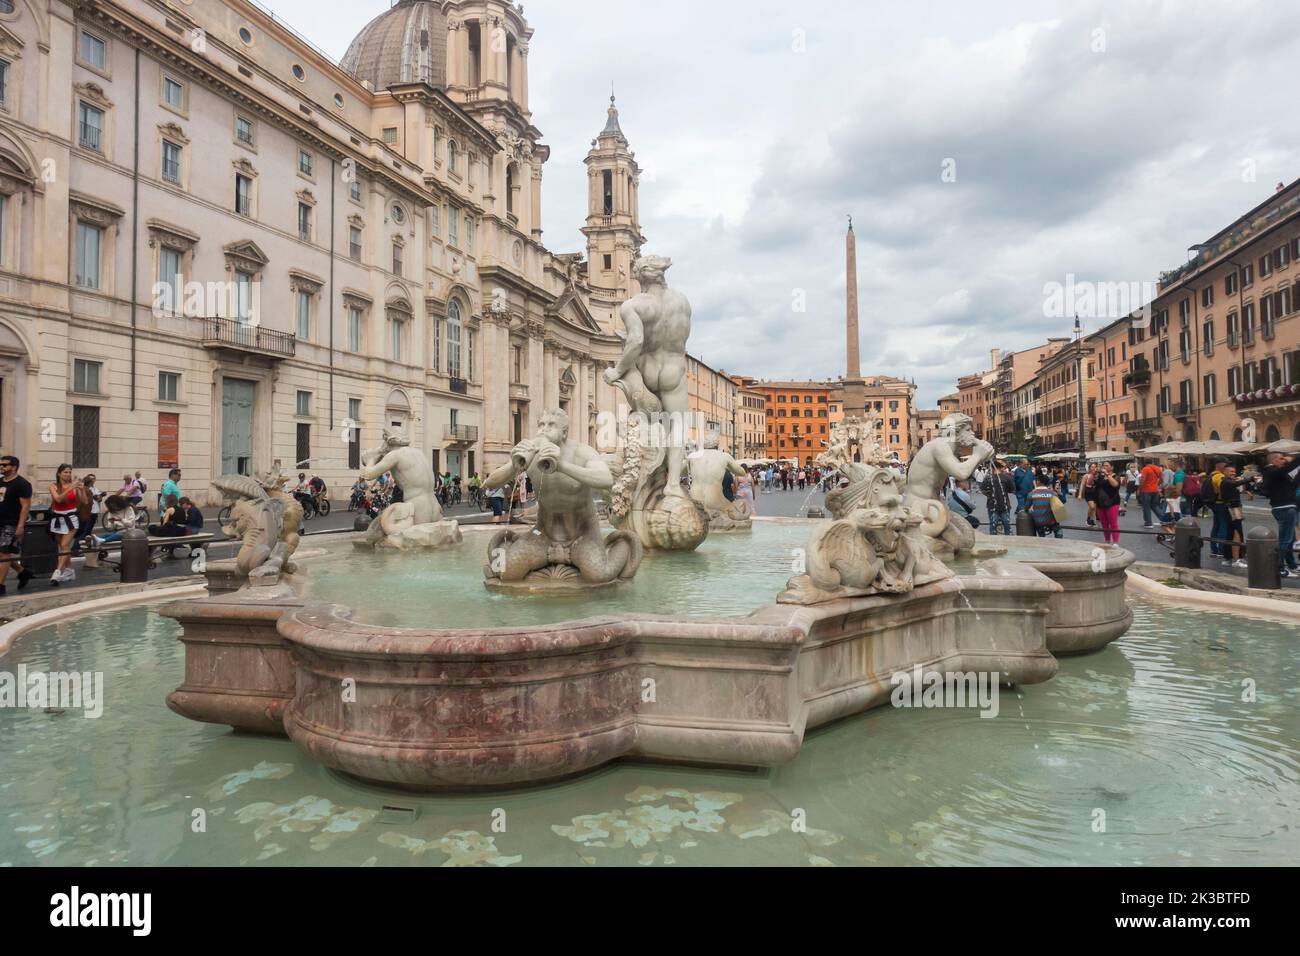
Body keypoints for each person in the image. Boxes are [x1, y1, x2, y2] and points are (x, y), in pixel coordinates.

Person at [1255, 451, 1300, 577]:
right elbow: (1288, 468)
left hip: (1286, 506)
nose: (1284, 461)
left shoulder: (1277, 474)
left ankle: (1291, 565)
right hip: (1284, 508)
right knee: (1285, 540)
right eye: (1281, 459)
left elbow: (1291, 486)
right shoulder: (1271, 471)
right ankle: (1279, 567)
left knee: (1288, 539)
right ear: (1273, 461)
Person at [0, 455, 34, 596]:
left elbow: (25, 506)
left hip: (11, 523)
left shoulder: (22, 484)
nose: (1, 467)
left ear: (14, 467)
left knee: (3, 553)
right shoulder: (0, 481)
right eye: (0, 464)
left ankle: (0, 585)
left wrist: (20, 526)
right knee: (2, 554)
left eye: (5, 465)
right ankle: (22, 572)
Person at [48, 463, 80, 585]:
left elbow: (84, 501)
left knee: (65, 544)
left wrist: (81, 489)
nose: (68, 474)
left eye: (69, 472)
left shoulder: (74, 486)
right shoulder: (53, 486)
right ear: (59, 474)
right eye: (65, 472)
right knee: (63, 547)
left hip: (71, 518)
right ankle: (70, 571)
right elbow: (58, 499)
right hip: (57, 518)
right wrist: (71, 487)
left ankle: (57, 572)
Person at [1218, 463, 1250, 569]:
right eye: (1231, 471)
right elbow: (1235, 484)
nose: (1234, 473)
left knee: (1230, 533)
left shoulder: (1229, 481)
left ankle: (1228, 558)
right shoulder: (1226, 482)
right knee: (1237, 532)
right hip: (1233, 508)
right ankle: (1237, 559)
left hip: (1233, 508)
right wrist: (1250, 479)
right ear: (1225, 471)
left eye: (1234, 471)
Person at [980, 460, 1015, 535]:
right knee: (1007, 525)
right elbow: (1012, 490)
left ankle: (993, 543)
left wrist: (989, 495)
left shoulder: (988, 478)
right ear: (1000, 468)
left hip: (992, 505)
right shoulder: (1007, 477)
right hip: (1005, 505)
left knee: (993, 525)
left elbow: (982, 490)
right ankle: (1008, 541)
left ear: (992, 468)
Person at [1094, 461, 1122, 545]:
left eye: (1107, 465)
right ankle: (1107, 540)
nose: (1105, 467)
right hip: (1100, 503)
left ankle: (1116, 542)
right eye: (1104, 466)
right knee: (1104, 523)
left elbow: (1115, 485)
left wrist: (1107, 475)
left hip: (1112, 502)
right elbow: (1093, 484)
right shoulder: (1101, 477)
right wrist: (1094, 473)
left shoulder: (1116, 476)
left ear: (1112, 467)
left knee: (1113, 523)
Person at [1028, 474, 1064, 538]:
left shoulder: (1032, 493)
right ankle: (1058, 536)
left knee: (1038, 525)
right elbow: (1058, 508)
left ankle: (1041, 535)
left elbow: (1026, 507)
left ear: (1038, 482)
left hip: (1038, 521)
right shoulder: (1053, 493)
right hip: (1051, 520)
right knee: (1058, 529)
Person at [1208, 460, 1230, 558]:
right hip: (1221, 503)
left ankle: (1214, 549)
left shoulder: (1211, 475)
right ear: (1222, 467)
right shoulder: (1219, 476)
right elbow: (1224, 487)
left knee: (1216, 526)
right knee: (1223, 526)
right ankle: (1221, 550)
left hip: (1214, 503)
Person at [1137, 457, 1165, 528]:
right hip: (1155, 490)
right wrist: (1157, 485)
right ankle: (1164, 519)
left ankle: (1148, 523)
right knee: (1155, 505)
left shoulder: (1145, 469)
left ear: (1145, 462)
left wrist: (1139, 489)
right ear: (1152, 462)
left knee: (1146, 506)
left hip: (1146, 490)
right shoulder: (1157, 468)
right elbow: (1162, 479)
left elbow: (1142, 479)